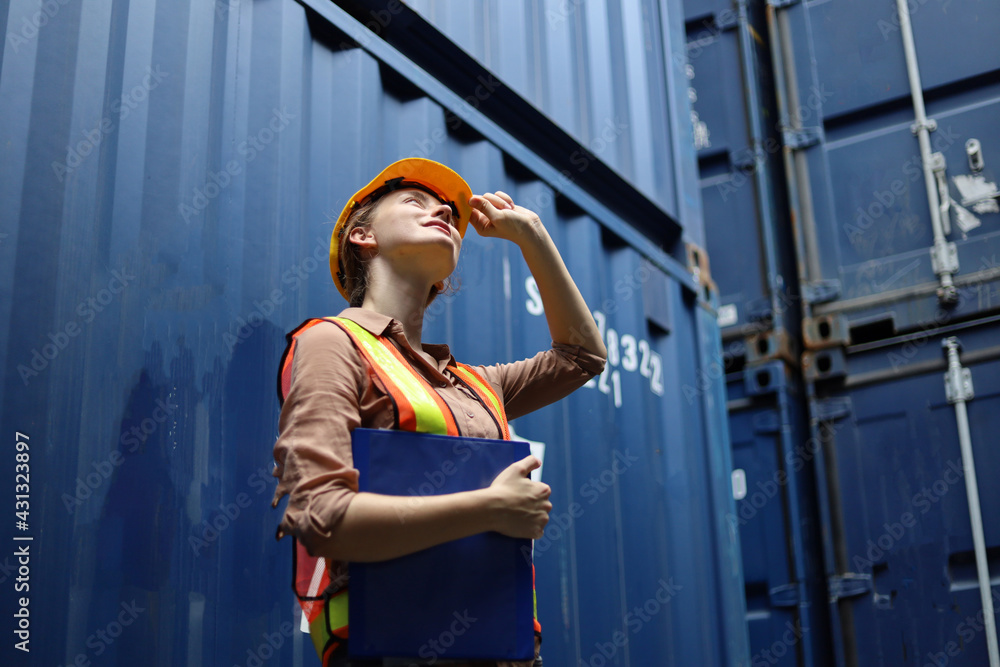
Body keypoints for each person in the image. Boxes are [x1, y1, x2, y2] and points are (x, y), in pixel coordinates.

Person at [271, 158, 607, 667]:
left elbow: (582, 357)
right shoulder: (331, 343)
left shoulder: (477, 385)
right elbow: (323, 517)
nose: (445, 212)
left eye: (450, 211)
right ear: (363, 237)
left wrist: (532, 235)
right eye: (415, 202)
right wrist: (490, 508)